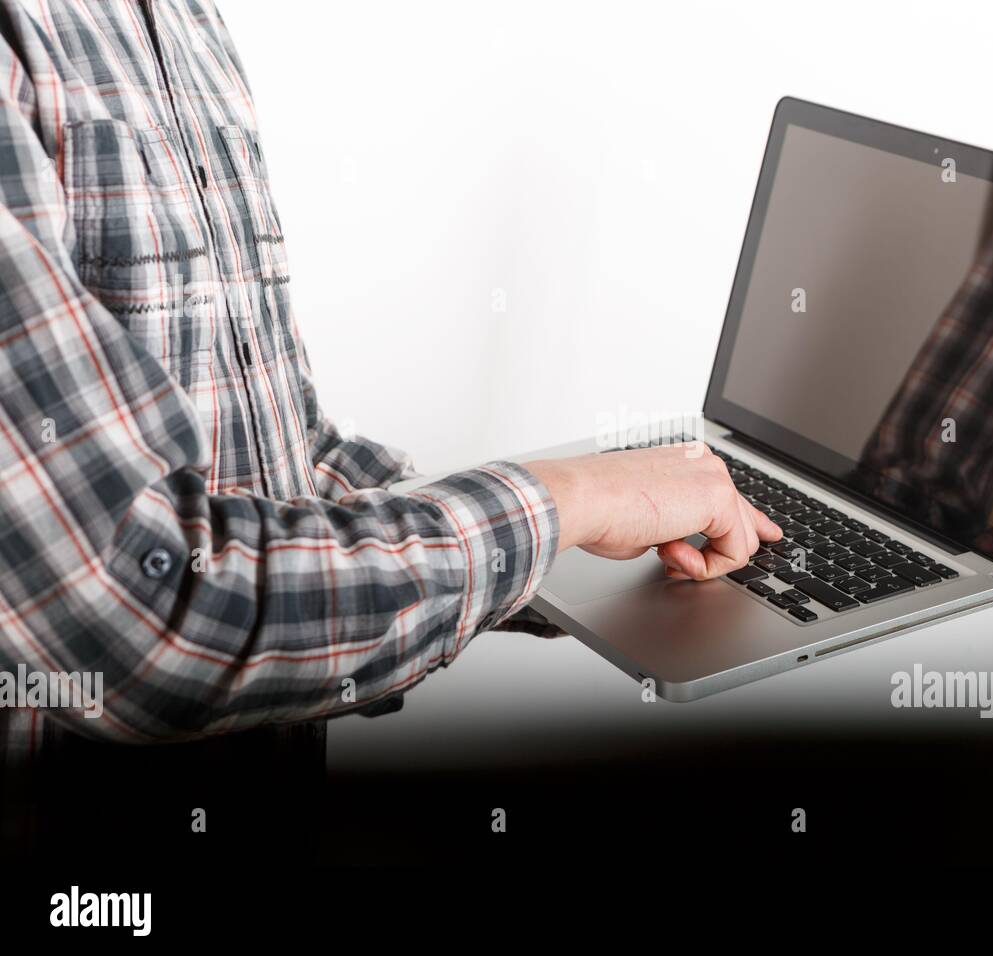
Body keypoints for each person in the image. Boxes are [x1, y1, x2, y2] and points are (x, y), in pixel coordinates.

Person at [0, 0, 777, 855]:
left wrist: (578, 542)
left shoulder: (186, 21)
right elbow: (134, 614)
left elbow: (286, 471)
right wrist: (563, 503)